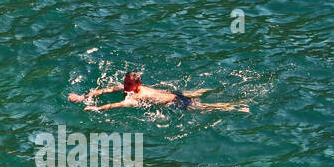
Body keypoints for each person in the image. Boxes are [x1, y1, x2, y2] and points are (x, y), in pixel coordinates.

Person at [68, 72, 248, 112]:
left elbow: (118, 104)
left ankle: (235, 107)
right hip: (173, 93)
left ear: (137, 86)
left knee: (206, 107)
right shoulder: (129, 88)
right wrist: (83, 97)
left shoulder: (135, 96)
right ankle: (220, 89)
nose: (125, 86)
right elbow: (106, 90)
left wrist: (97, 109)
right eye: (125, 83)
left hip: (176, 101)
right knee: (198, 93)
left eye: (129, 84)